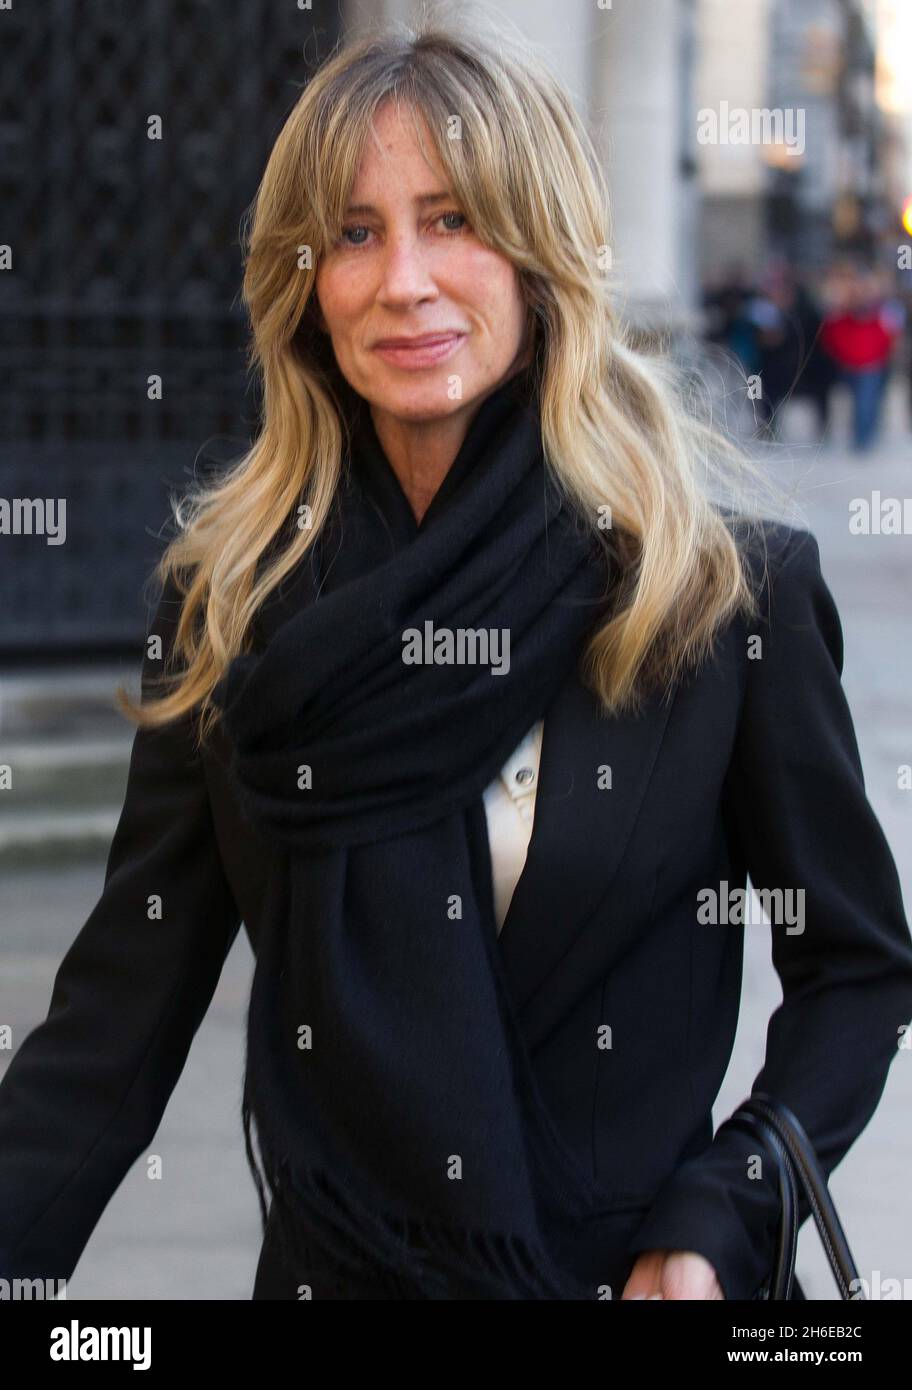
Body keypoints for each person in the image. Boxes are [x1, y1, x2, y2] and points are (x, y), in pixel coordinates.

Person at [2, 20, 912, 1303]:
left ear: (542, 255)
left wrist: (726, 1213)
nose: (405, 281)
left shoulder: (719, 595)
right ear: (304, 282)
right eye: (356, 234)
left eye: (454, 220)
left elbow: (859, 971)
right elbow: (115, 1020)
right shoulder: (233, 606)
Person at [820, 264, 901, 452]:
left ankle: (864, 437)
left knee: (867, 401)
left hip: (872, 364)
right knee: (859, 401)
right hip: (850, 364)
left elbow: (890, 336)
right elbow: (832, 336)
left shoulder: (884, 313)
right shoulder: (842, 314)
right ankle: (861, 434)